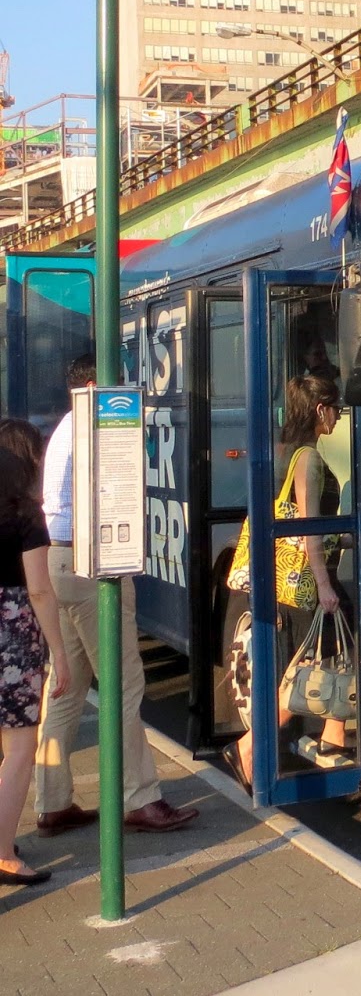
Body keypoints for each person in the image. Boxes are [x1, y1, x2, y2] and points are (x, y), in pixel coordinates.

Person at [34, 357, 197, 836]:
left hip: (58, 561)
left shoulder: (66, 427)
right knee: (124, 686)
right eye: (114, 382)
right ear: (92, 385)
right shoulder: (93, 429)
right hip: (91, 568)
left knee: (67, 688)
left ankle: (52, 801)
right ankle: (139, 797)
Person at [222, 373, 345, 787]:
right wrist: (324, 584)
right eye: (337, 408)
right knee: (301, 671)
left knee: (316, 659)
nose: (339, 417)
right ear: (319, 410)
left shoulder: (280, 450)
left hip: (276, 577)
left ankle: (334, 736)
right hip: (299, 581)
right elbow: (308, 527)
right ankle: (248, 747)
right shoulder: (307, 458)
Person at [0, 421, 70, 885]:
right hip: (13, 635)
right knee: (20, 747)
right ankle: (4, 852)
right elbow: (40, 591)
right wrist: (58, 653)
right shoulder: (25, 514)